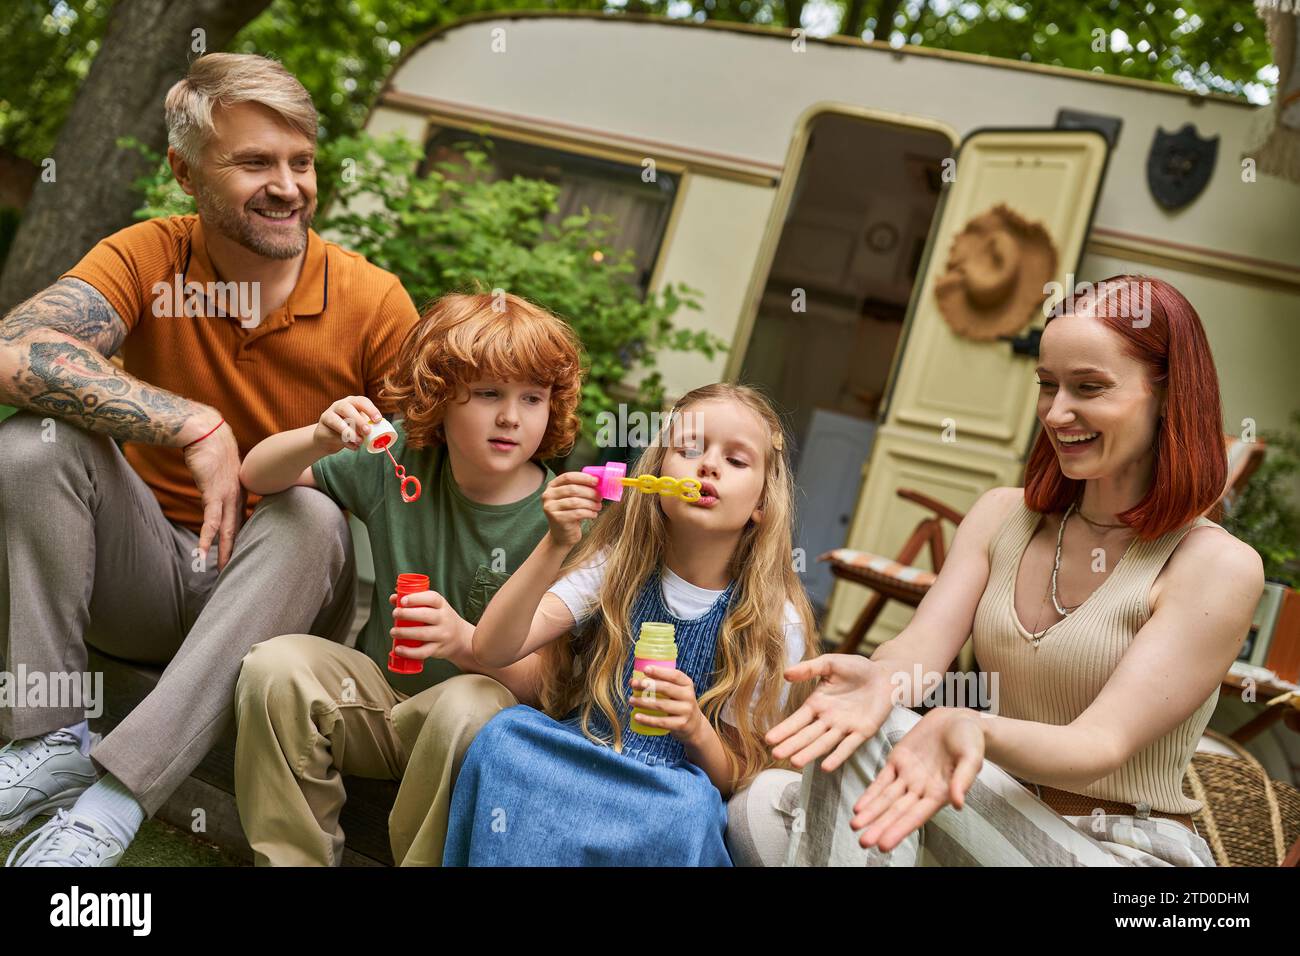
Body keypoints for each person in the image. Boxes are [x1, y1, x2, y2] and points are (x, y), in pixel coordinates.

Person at [0, 54, 420, 867]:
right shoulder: (151, 254)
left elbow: (427, 472)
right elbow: (13, 350)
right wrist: (190, 422)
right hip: (144, 575)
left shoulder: (373, 302)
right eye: (255, 162)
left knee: (310, 509)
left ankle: (113, 803)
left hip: (278, 609)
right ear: (184, 171)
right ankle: (45, 739)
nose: (288, 185)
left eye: (301, 162)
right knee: (26, 446)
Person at [726, 276, 1264, 867]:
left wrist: (973, 728)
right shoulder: (1002, 517)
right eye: (1048, 385)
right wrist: (880, 680)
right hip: (981, 816)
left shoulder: (1216, 565)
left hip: (1123, 852)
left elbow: (1099, 744)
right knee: (760, 803)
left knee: (880, 741)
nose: (1058, 412)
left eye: (1089, 387)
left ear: (1168, 395)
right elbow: (917, 653)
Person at [232, 291, 585, 866]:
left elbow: (547, 690)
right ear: (439, 398)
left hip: (476, 738)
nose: (510, 417)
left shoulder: (566, 521)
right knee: (276, 667)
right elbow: (260, 474)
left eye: (533, 398)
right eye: (489, 393)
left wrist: (465, 643)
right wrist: (322, 437)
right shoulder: (397, 460)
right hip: (377, 704)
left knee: (471, 699)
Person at [443, 383, 815, 865]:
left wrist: (694, 728)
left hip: (669, 786)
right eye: (691, 449)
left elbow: (737, 776)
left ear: (761, 504)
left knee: (691, 812)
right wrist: (555, 542)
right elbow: (493, 650)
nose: (708, 466)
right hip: (583, 746)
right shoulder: (614, 565)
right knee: (505, 739)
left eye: (737, 461)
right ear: (658, 471)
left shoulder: (774, 620)